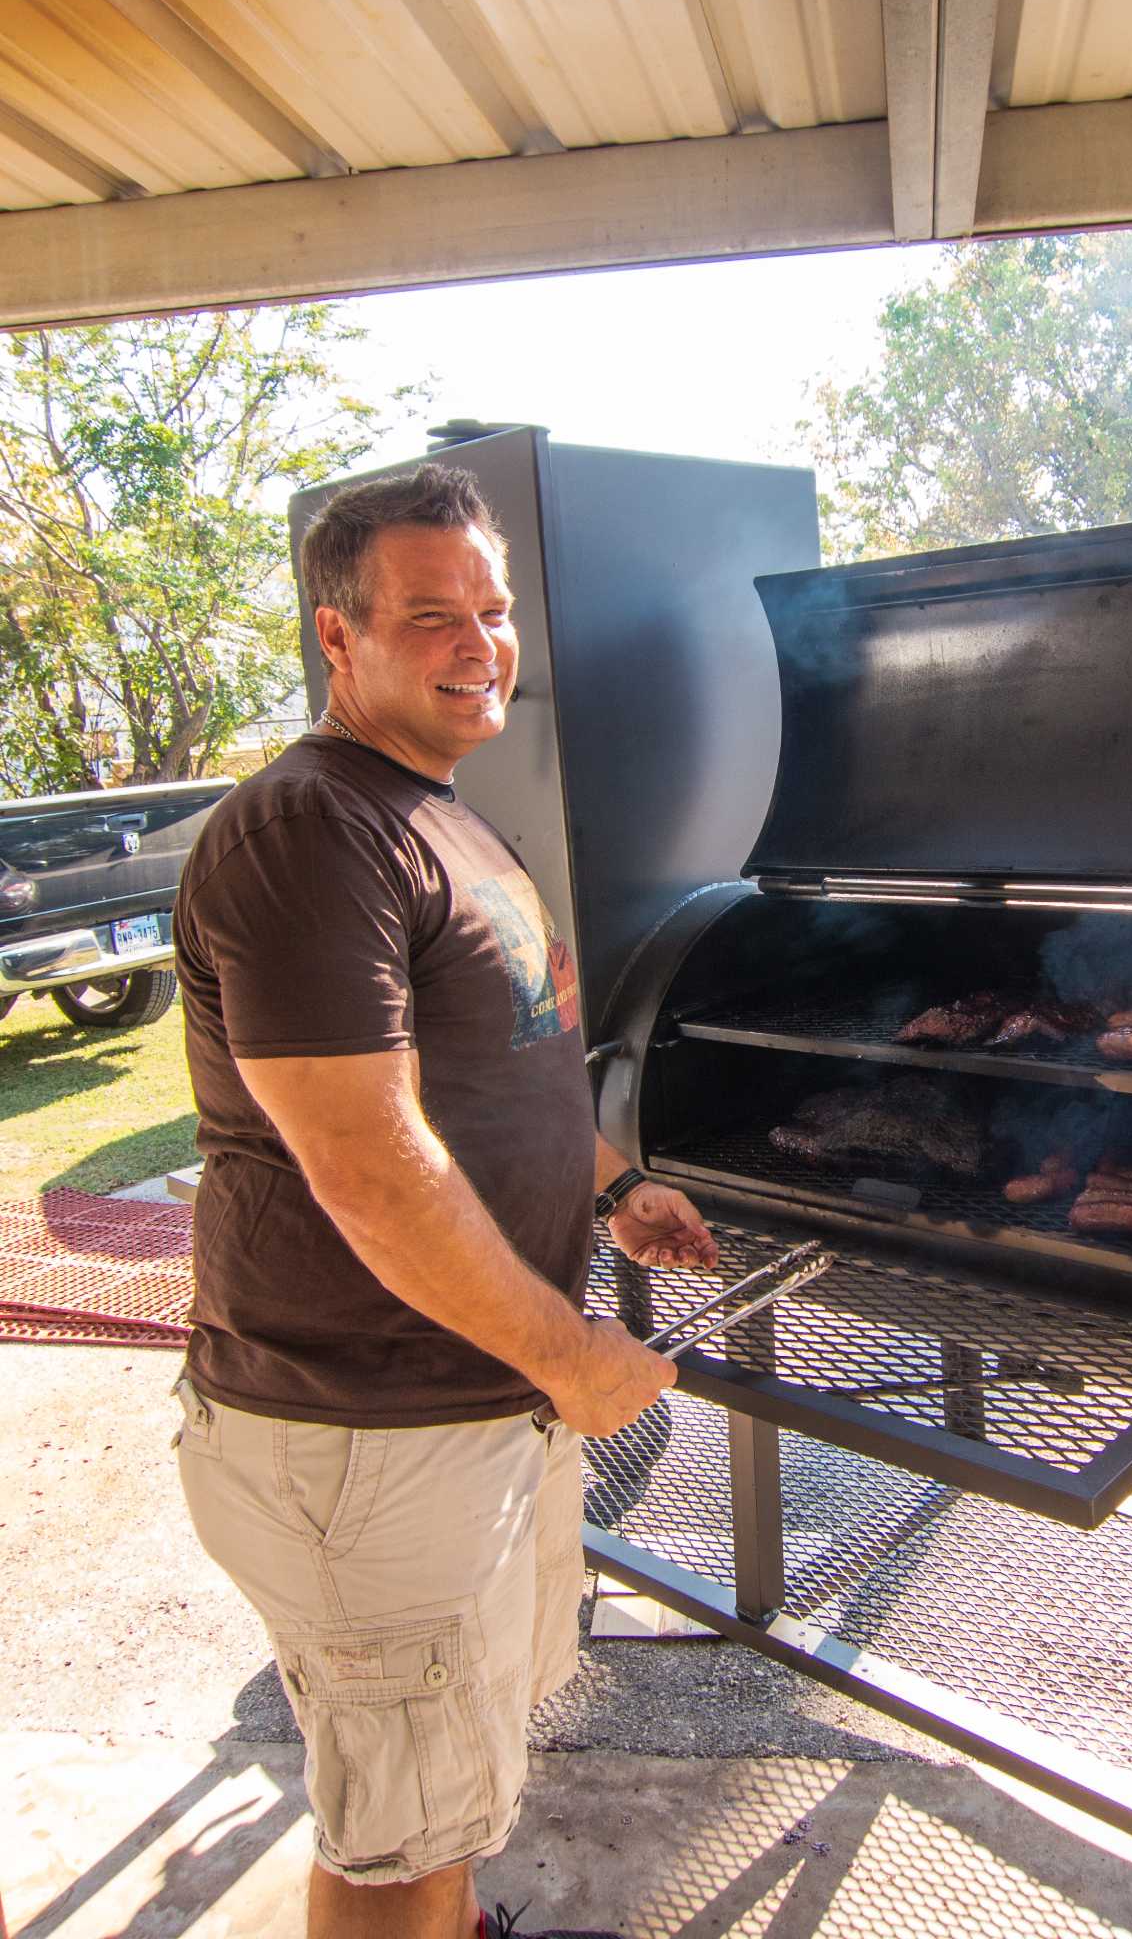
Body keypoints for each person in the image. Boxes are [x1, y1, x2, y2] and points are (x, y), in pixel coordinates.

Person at [172, 463, 718, 1939]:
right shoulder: (307, 833)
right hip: (364, 1429)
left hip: (464, 1412)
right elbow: (362, 1159)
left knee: (449, 1782)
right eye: (430, 616)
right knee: (395, 1830)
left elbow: (508, 1077)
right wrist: (570, 1354)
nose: (480, 643)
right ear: (336, 637)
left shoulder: (447, 822)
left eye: (493, 609)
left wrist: (617, 1192)